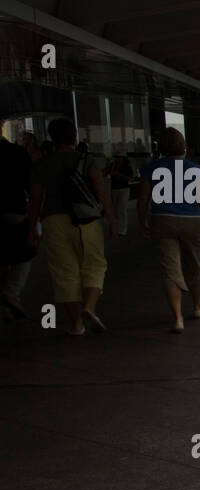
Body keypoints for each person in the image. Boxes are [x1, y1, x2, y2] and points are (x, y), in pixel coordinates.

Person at [26, 119, 116, 335]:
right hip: (86, 220)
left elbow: (35, 199)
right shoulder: (86, 160)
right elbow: (101, 190)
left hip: (53, 220)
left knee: (64, 272)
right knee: (94, 265)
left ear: (51, 137)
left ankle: (77, 324)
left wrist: (32, 229)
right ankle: (90, 307)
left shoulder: (43, 165)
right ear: (74, 136)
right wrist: (112, 219)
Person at [137, 128, 200, 333]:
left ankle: (178, 318)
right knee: (193, 263)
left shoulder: (151, 168)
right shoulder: (195, 169)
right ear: (183, 146)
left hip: (162, 220)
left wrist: (141, 222)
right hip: (192, 220)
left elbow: (143, 199)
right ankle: (198, 306)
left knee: (170, 269)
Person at [0, 135, 33, 319]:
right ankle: (11, 293)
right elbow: (31, 184)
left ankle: (6, 302)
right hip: (15, 211)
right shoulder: (17, 152)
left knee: (3, 259)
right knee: (25, 253)